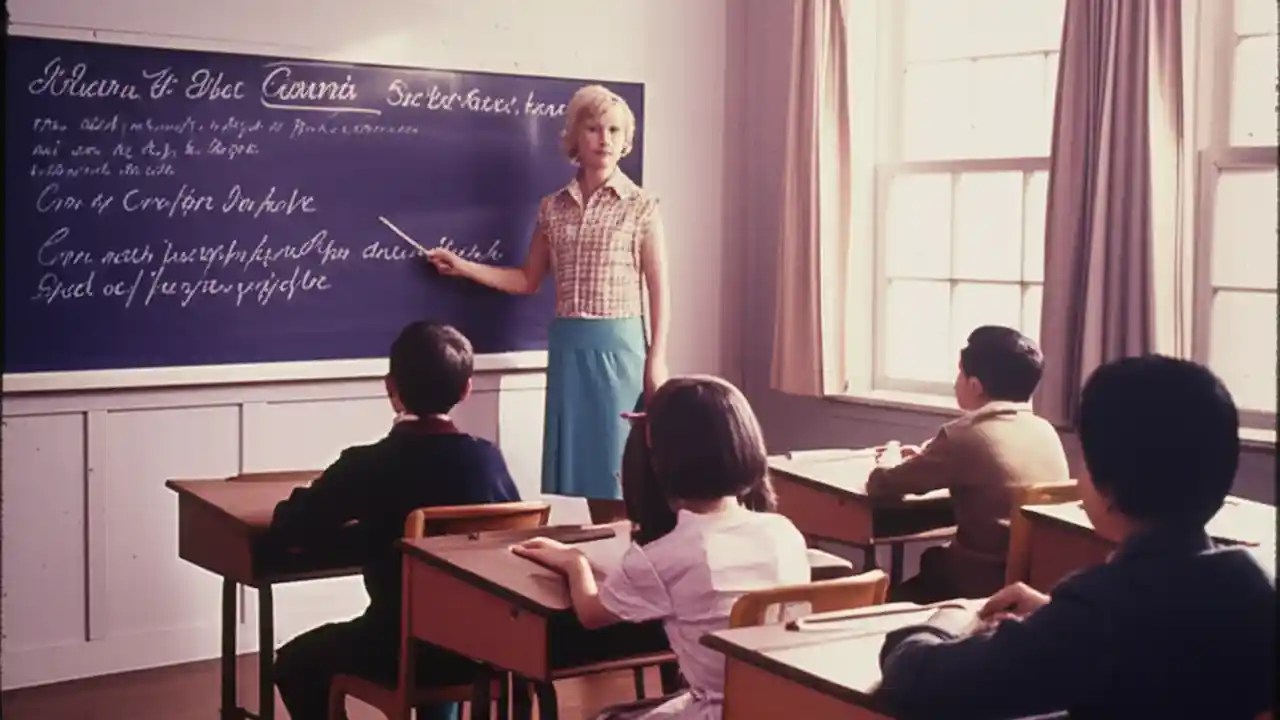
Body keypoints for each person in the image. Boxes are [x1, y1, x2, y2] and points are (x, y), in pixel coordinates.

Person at [876, 356, 1276, 719]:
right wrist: (1054, 612)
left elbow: (918, 678)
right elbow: (1163, 636)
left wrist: (948, 619)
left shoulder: (1101, 612)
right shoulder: (1252, 585)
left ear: (1108, 487)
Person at [425, 84, 669, 522]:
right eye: (594, 128)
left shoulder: (641, 206)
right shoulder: (552, 208)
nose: (605, 139)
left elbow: (659, 288)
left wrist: (657, 359)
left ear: (627, 139)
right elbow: (526, 279)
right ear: (575, 137)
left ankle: (633, 571)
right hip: (571, 349)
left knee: (626, 478)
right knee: (592, 482)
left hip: (621, 349)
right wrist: (463, 266)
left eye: (615, 130)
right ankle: (609, 565)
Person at [512, 376, 808, 720]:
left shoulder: (664, 556)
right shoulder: (783, 532)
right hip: (785, 707)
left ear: (660, 459)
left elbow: (591, 614)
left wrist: (575, 562)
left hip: (720, 710)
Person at [266, 322, 520, 720]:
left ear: (390, 387)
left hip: (400, 646)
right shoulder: (488, 461)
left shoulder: (369, 464)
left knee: (294, 664)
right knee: (436, 628)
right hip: (482, 647)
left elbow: (292, 526)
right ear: (467, 389)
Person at [867, 326, 1069, 601]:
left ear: (975, 386)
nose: (955, 382)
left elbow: (883, 484)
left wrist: (889, 456)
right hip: (1035, 580)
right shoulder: (1044, 430)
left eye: (960, 373)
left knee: (904, 583)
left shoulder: (963, 436)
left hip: (975, 584)